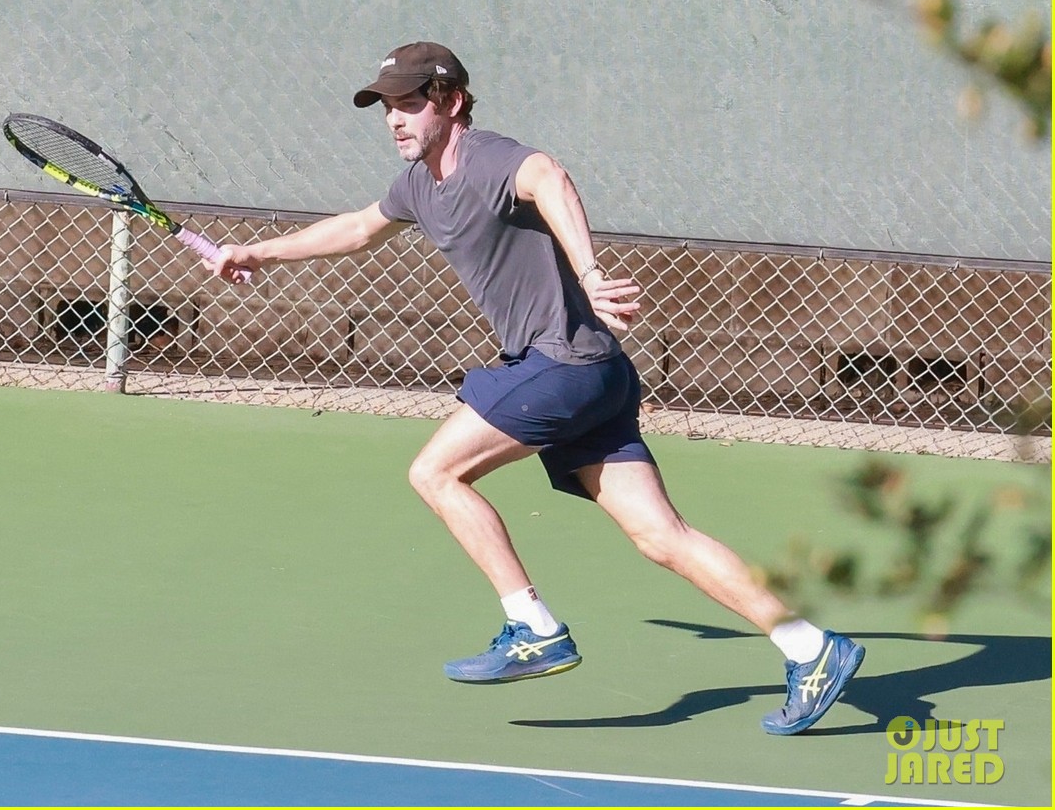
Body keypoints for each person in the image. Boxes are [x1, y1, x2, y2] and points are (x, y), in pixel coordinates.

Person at [206, 41, 864, 735]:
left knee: (435, 472)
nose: (396, 119)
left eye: (410, 103)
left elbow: (549, 175)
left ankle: (533, 625)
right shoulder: (417, 186)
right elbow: (359, 228)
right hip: (596, 373)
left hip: (563, 365)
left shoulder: (491, 158)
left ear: (451, 100)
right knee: (661, 536)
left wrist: (587, 270)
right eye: (387, 107)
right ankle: (812, 647)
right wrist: (259, 252)